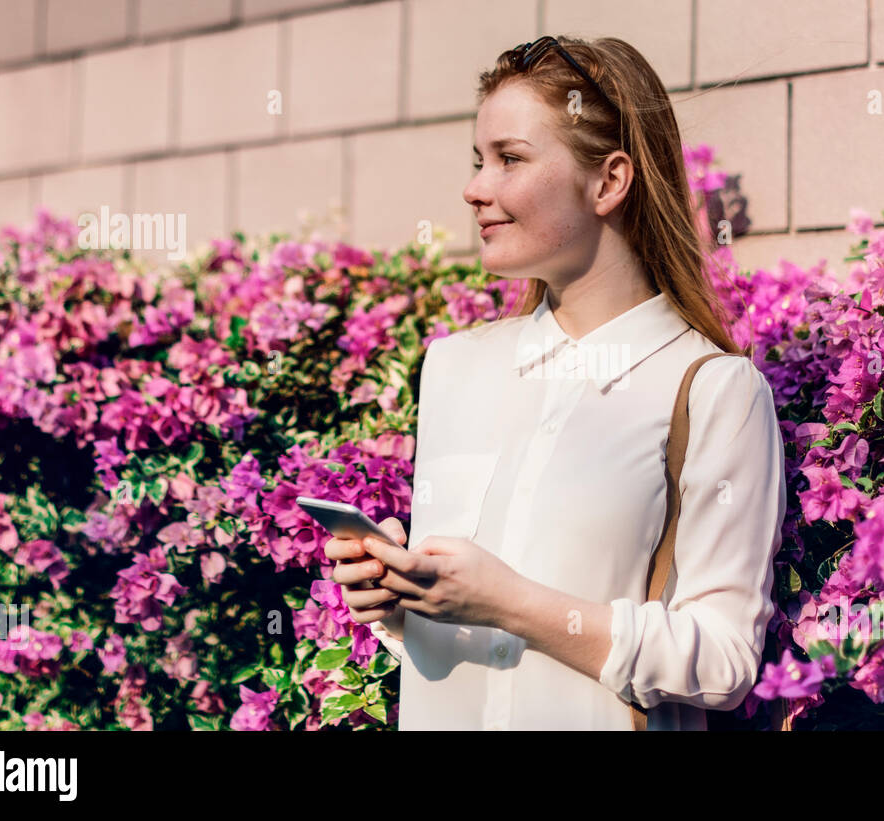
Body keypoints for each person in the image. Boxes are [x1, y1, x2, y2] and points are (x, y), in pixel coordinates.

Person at [324, 35, 786, 730]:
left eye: (509, 158)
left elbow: (723, 660)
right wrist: (396, 594)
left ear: (609, 181)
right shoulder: (453, 367)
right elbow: (453, 632)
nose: (475, 188)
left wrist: (510, 602)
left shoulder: (713, 391)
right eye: (479, 161)